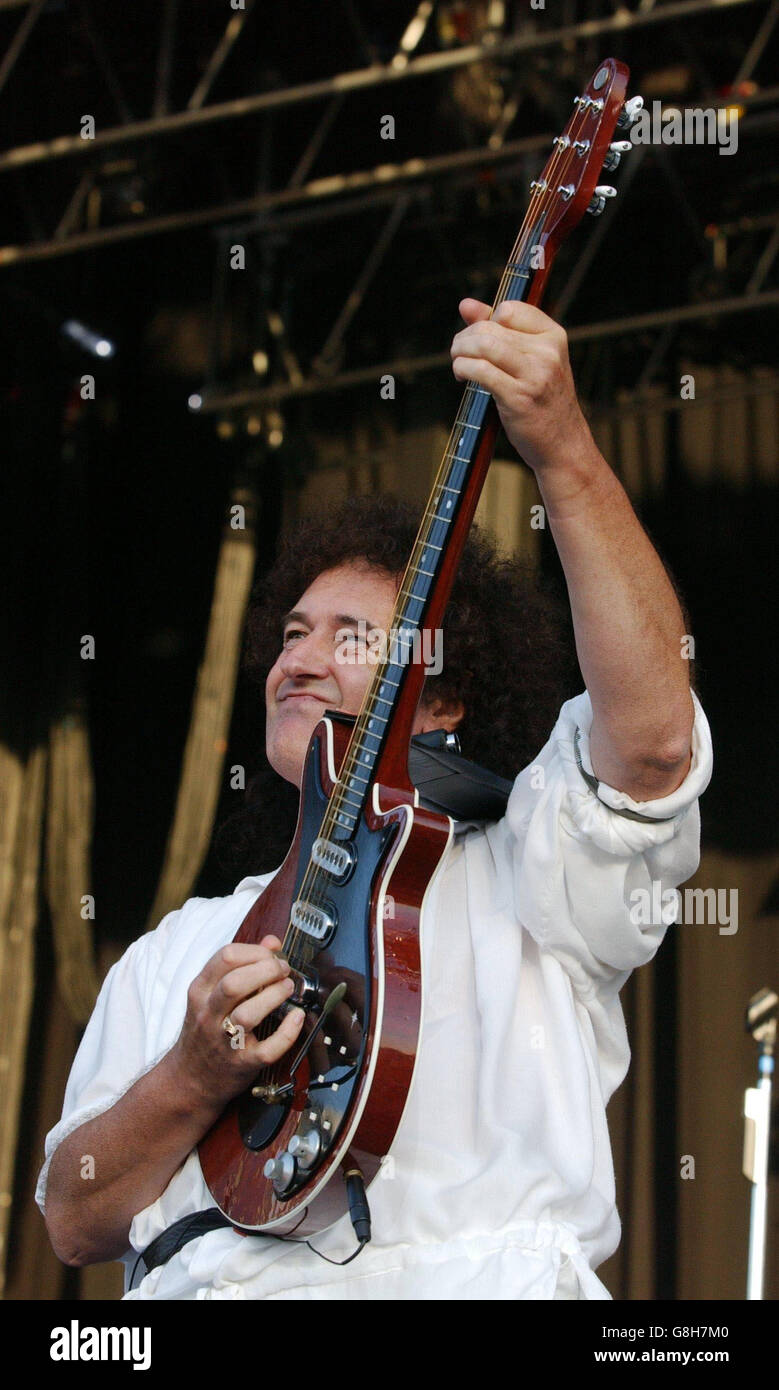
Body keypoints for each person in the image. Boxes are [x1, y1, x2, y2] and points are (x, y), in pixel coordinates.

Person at [37, 298, 713, 1300]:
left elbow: (653, 748)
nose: (297, 660)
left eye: (349, 636)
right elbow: (72, 1216)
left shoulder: (529, 871)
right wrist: (190, 1073)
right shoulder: (178, 948)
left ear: (438, 698)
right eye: (290, 634)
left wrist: (562, 453)